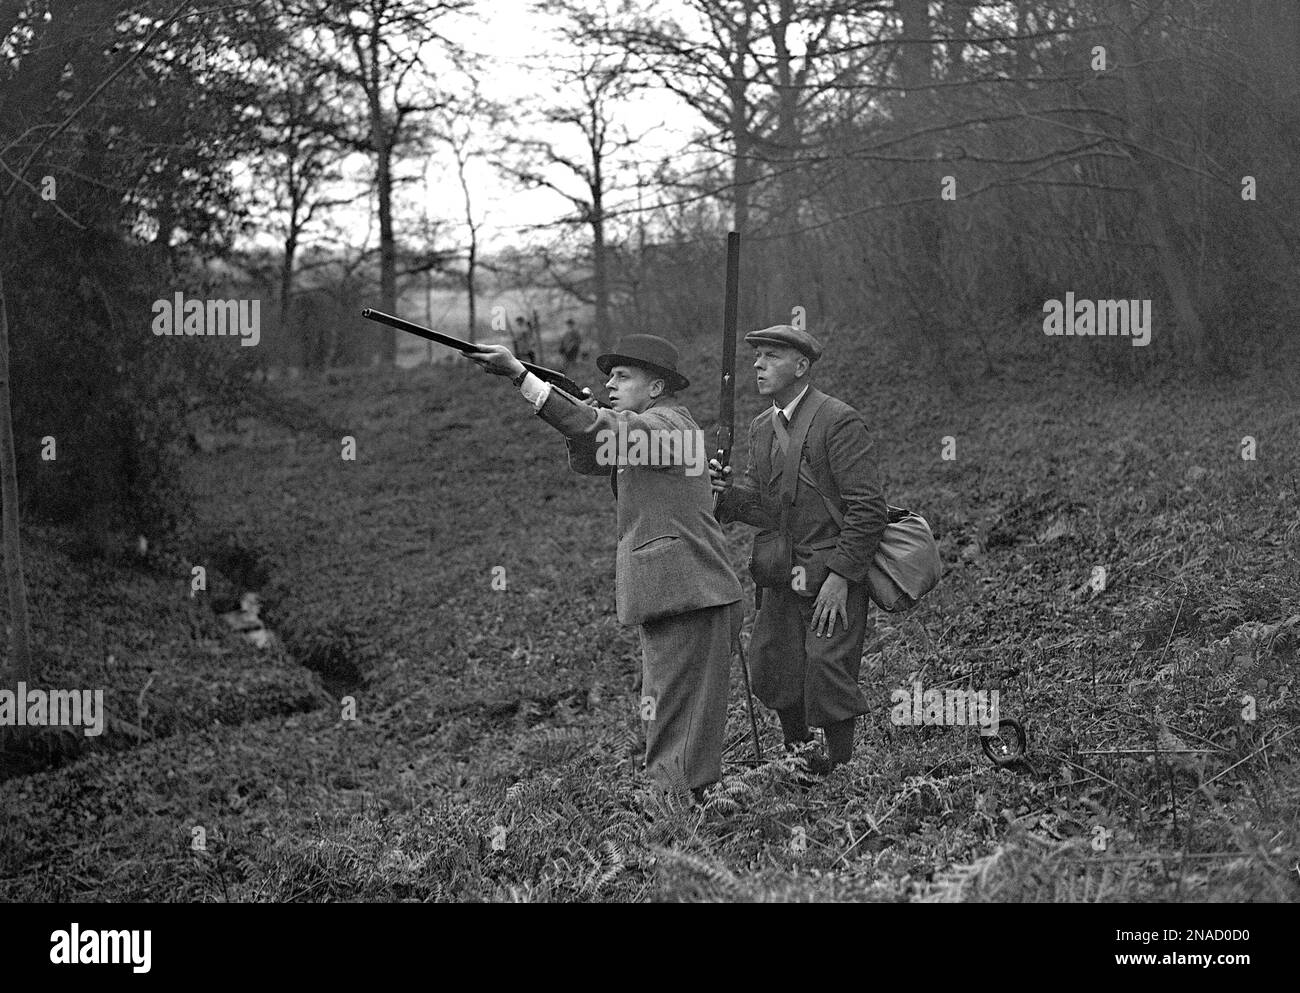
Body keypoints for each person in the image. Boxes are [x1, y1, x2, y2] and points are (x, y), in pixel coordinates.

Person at [467, 334, 744, 800]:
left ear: (656, 388)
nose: (609, 384)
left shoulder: (667, 427)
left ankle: (677, 817)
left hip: (692, 594)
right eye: (608, 377)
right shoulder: (652, 432)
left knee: (680, 716)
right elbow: (594, 450)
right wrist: (576, 409)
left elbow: (602, 432)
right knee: (670, 713)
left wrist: (522, 376)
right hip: (678, 592)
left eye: (622, 376)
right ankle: (679, 811)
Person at [710, 325, 888, 774]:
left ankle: (843, 773)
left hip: (831, 568)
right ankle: (800, 760)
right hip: (780, 568)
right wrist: (725, 494)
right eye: (756, 356)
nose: (757, 364)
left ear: (802, 366)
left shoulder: (838, 420)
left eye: (771, 356)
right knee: (774, 663)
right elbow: (766, 504)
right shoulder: (760, 427)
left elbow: (868, 509)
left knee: (827, 667)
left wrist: (842, 579)